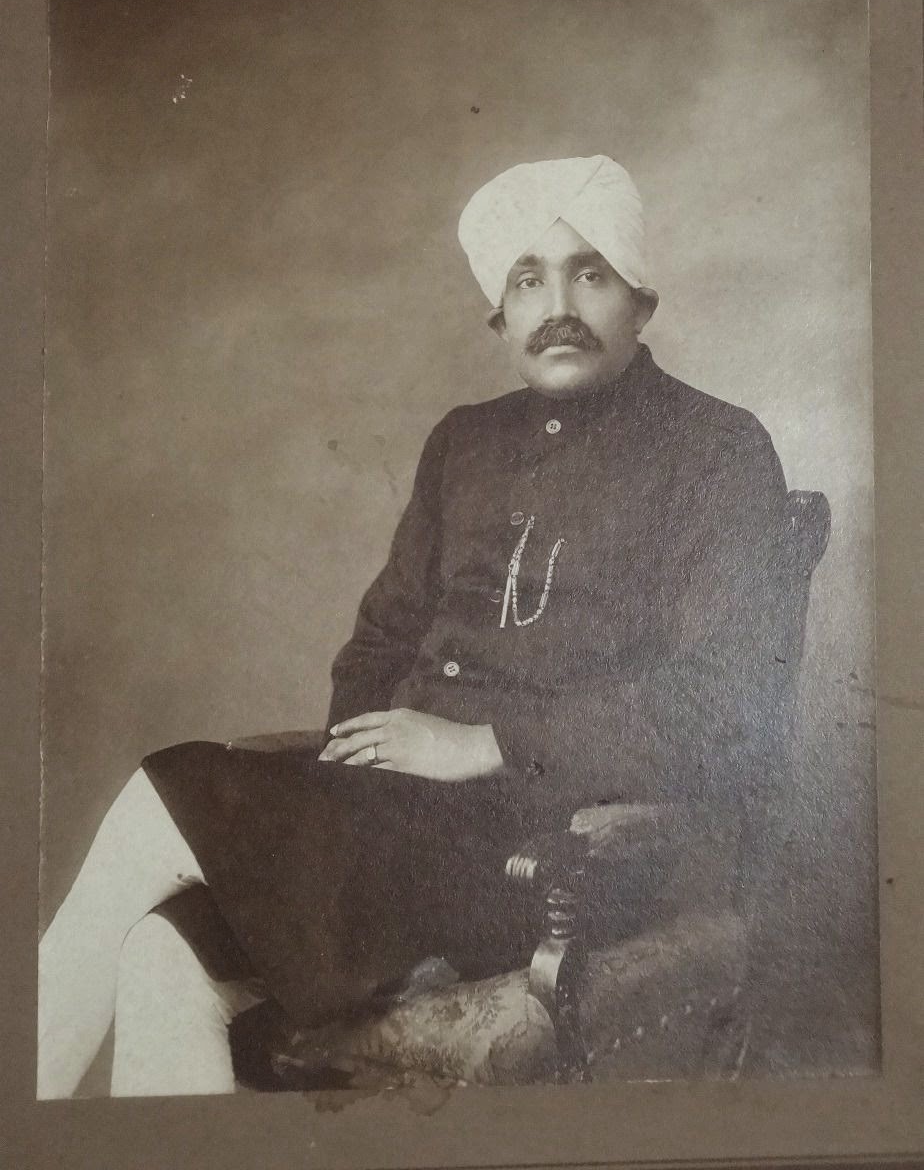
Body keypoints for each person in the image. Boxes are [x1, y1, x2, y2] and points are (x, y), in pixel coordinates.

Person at [37, 155, 787, 1099]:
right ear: (500, 317)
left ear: (642, 302)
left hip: (559, 857)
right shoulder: (464, 441)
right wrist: (361, 764)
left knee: (166, 786)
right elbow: (380, 643)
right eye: (527, 279)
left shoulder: (718, 451)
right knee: (157, 951)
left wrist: (486, 743)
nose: (557, 303)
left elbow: (729, 703)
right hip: (395, 832)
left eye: (589, 273)